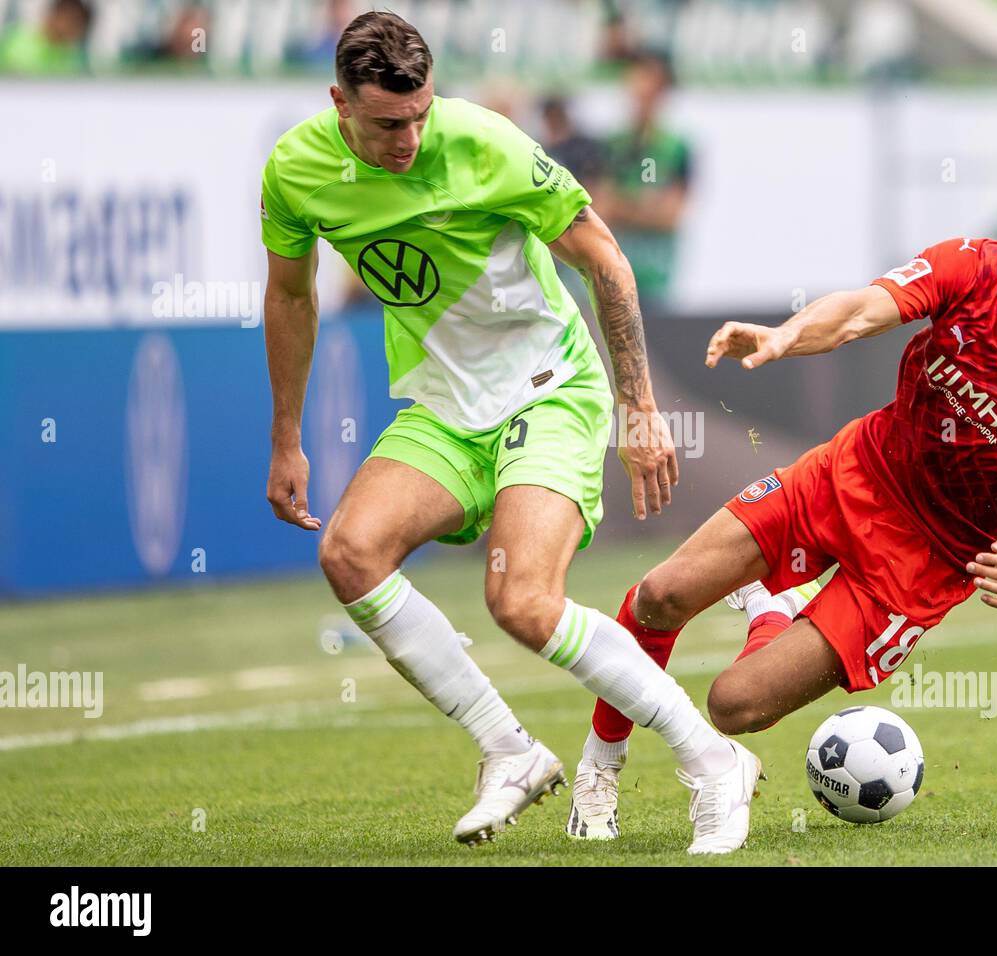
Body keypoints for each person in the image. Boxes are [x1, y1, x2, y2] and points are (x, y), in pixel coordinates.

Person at [260, 12, 759, 854]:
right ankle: (509, 750)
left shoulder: (484, 143)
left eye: (421, 114)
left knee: (520, 601)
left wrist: (638, 408)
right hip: (443, 411)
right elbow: (291, 297)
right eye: (388, 123)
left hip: (549, 390)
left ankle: (713, 759)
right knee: (349, 553)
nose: (411, 138)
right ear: (338, 102)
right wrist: (285, 437)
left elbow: (604, 256)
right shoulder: (296, 171)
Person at [567, 160, 997, 839]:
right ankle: (599, 770)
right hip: (852, 472)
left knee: (733, 706)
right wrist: (789, 335)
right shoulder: (975, 266)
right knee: (658, 597)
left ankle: (770, 611)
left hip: (922, 567)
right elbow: (859, 311)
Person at [600, 49, 692, 312]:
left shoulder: (677, 147)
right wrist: (646, 206)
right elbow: (600, 210)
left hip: (656, 280)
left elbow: (671, 216)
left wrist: (624, 206)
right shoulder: (611, 145)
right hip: (611, 278)